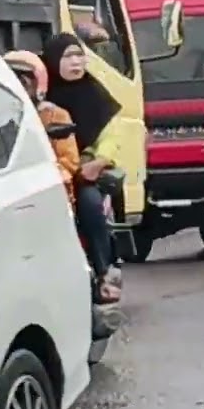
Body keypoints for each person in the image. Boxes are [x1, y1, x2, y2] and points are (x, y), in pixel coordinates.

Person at [44, 32, 123, 300]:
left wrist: (98, 163)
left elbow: (111, 137)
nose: (76, 62)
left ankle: (103, 272)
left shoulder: (95, 94)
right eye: (68, 56)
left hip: (84, 172)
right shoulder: (43, 98)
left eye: (79, 55)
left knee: (89, 204)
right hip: (49, 170)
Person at [5, 50, 79, 202]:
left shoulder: (54, 115)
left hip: (51, 193)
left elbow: (70, 162)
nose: (18, 86)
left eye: (23, 81)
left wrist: (40, 178)